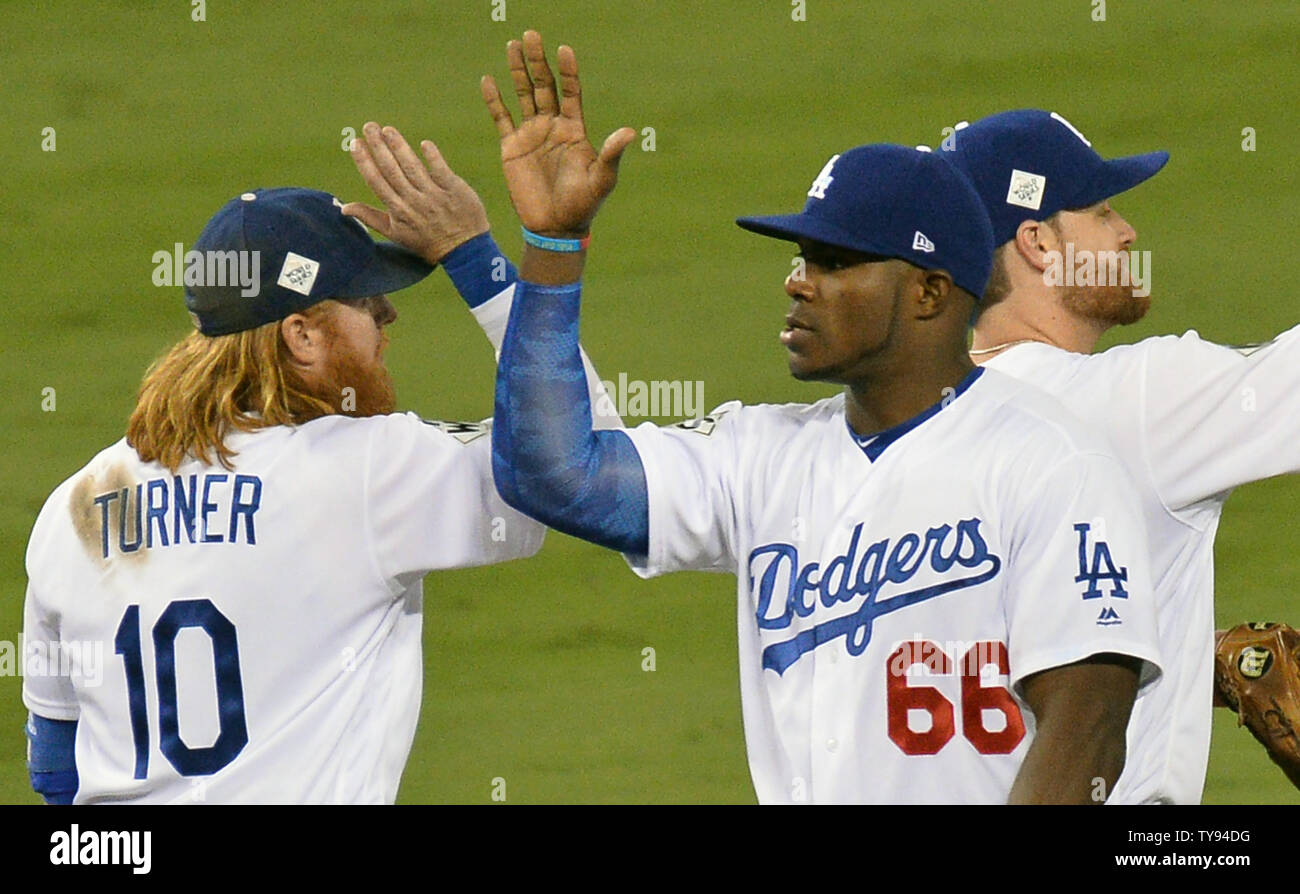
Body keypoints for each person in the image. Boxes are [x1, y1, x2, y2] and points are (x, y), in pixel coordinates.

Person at [482, 31, 1162, 803]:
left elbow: (1088, 727)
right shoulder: (760, 457)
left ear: (931, 293)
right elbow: (552, 472)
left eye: (836, 263)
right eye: (803, 258)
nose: (799, 284)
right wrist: (553, 244)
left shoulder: (1053, 465)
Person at [21, 121, 615, 804]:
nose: (388, 317)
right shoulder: (366, 472)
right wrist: (478, 260)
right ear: (301, 334)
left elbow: (56, 771)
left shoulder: (75, 508)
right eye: (365, 302)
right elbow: (588, 466)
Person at [943, 108, 1300, 803]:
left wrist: (1187, 658)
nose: (1128, 232)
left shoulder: (913, 426)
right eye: (1103, 211)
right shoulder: (1130, 404)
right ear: (1038, 242)